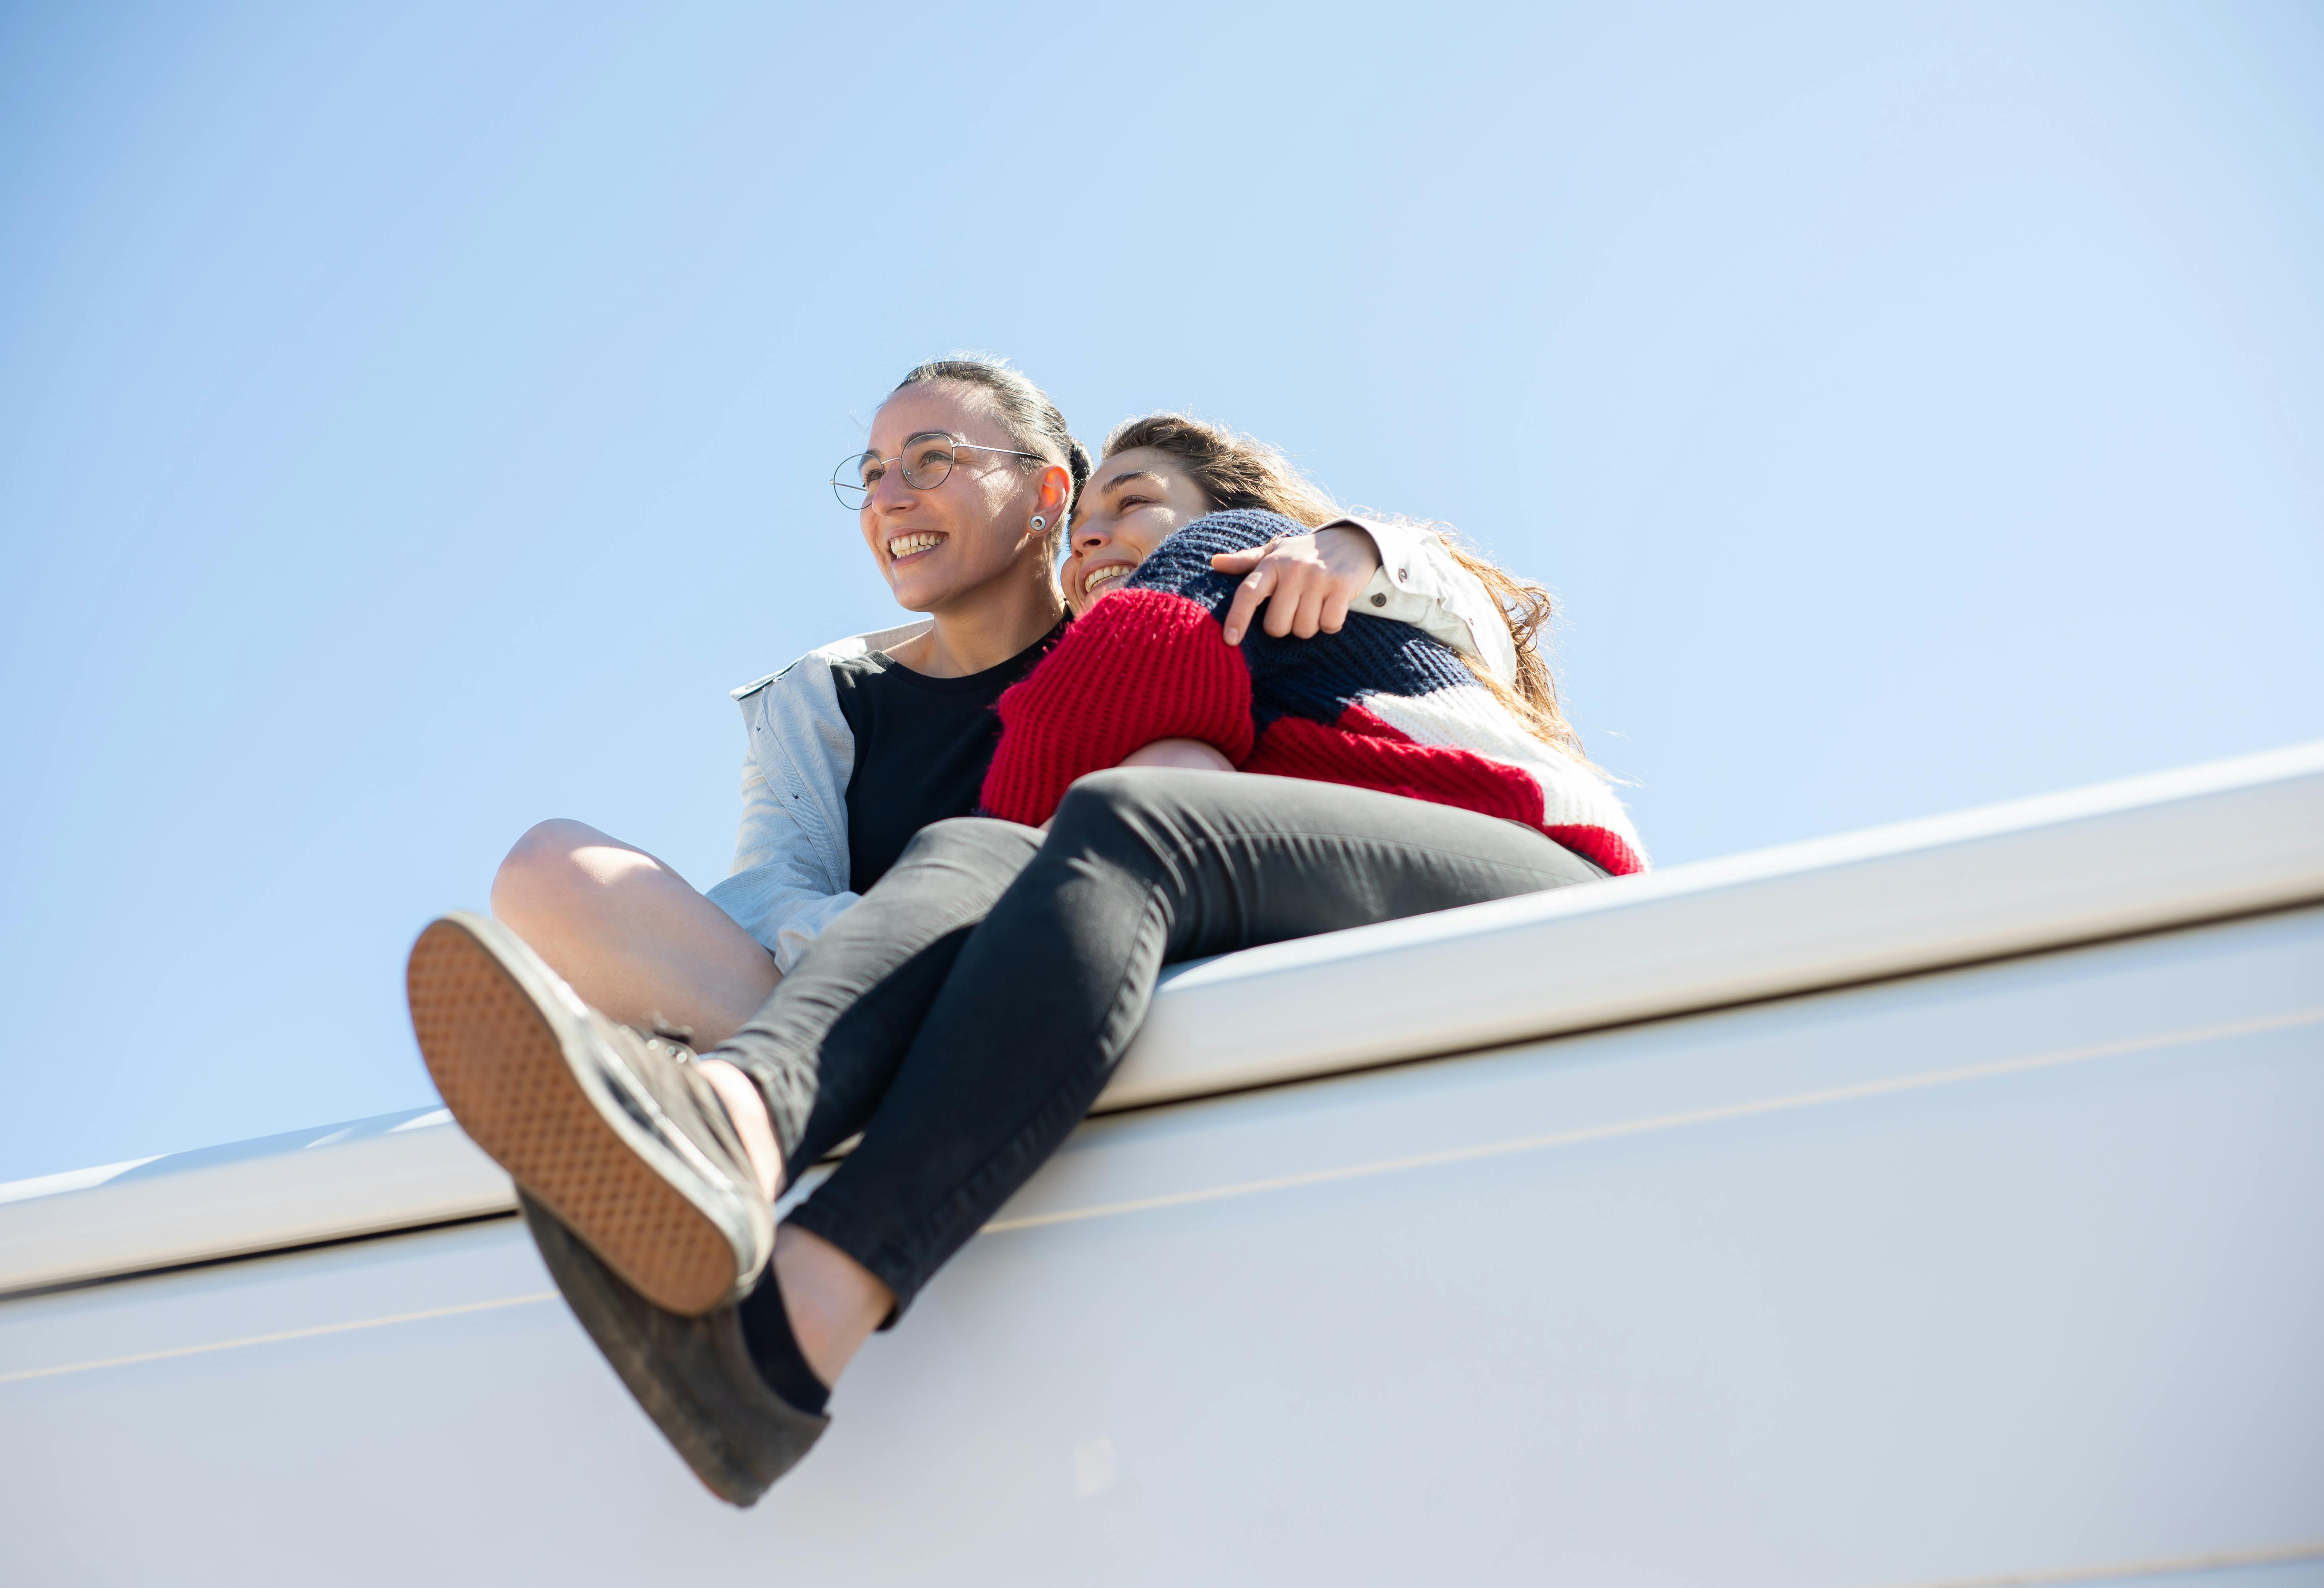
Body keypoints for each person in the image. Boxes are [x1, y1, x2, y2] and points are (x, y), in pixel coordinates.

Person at [407, 412, 1646, 1505]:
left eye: (1134, 501)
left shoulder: (1261, 565)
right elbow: (1026, 827)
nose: (1098, 536)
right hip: (1315, 893)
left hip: (1524, 869)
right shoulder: (1200, 700)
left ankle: (763, 1178)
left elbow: (1078, 734)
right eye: (1089, 516)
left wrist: (1349, 545)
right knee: (994, 846)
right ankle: (753, 1223)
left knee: (1115, 815)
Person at [483, 359, 1513, 1053]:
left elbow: (1449, 622)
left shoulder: (1146, 639)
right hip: (865, 1022)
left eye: (934, 461)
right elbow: (766, 899)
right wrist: (921, 950)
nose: (891, 498)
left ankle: (770, 1097)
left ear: (1047, 495)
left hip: (1092, 1012)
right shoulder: (820, 701)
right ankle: (810, 1091)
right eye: (876, 472)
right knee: (550, 870)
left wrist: (1355, 544)